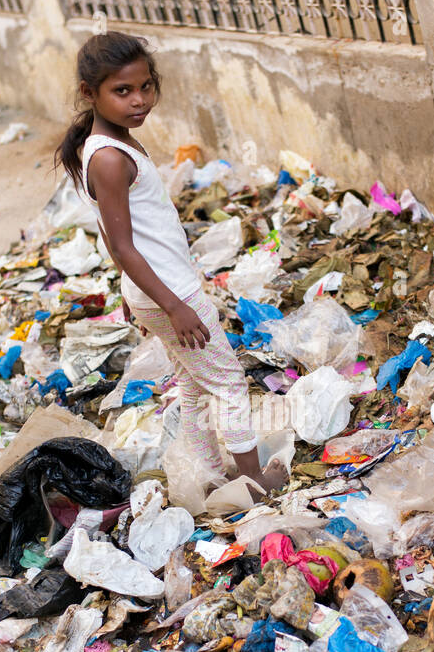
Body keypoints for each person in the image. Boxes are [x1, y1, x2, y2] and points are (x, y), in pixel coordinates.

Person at [55, 32, 287, 495]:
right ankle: (253, 480)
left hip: (154, 291)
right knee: (230, 384)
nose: (138, 100)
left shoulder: (104, 143)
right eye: (122, 91)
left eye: (145, 87)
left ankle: (212, 475)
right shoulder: (108, 157)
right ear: (90, 93)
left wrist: (133, 293)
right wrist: (173, 306)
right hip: (170, 294)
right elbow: (121, 245)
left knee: (194, 384)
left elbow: (110, 229)